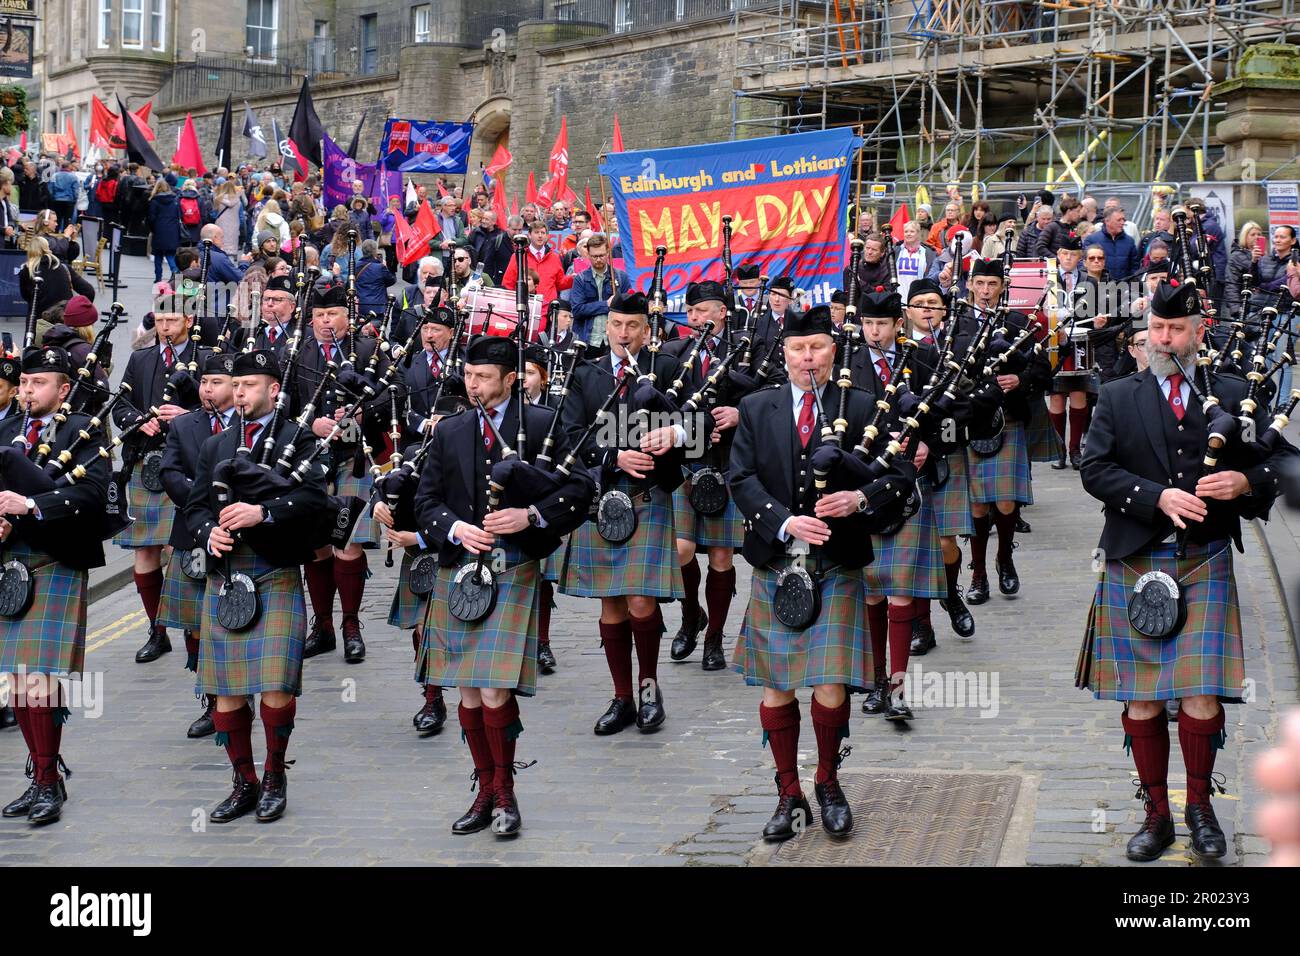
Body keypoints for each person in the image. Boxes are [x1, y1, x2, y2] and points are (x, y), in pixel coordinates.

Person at [1076, 279, 1298, 861]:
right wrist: (1157, 497)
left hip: (1204, 556)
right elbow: (1094, 469)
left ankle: (1199, 807)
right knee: (1141, 698)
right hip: (1136, 554)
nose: (1165, 339)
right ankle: (1156, 813)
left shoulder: (1233, 392)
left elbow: (1285, 461)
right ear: (1144, 335)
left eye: (1176, 330)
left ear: (1199, 331)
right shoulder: (1118, 397)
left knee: (1201, 694)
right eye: (1156, 330)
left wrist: (1246, 481)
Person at [404, 335, 593, 837]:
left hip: (512, 566)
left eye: (483, 377)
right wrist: (453, 527)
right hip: (459, 565)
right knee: (467, 689)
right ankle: (484, 787)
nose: (473, 385)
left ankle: (506, 790)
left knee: (492, 687)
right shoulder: (451, 430)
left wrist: (531, 514)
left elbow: (580, 491)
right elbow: (426, 500)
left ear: (511, 379)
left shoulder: (542, 425)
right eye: (468, 375)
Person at [729, 304, 878, 841]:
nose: (807, 357)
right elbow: (740, 477)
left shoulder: (860, 405)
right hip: (777, 558)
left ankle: (828, 780)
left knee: (831, 682)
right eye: (797, 349)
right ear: (784, 353)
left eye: (816, 347)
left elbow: (897, 478)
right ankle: (787, 792)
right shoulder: (756, 406)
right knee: (776, 686)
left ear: (833, 351)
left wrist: (858, 498)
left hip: (836, 560)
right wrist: (784, 520)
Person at [183, 349, 329, 823]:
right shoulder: (216, 446)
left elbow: (314, 501)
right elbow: (195, 507)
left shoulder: (298, 438)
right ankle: (243, 780)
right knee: (225, 690)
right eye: (236, 385)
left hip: (274, 570)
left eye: (249, 385)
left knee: (275, 686)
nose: (240, 393)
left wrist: (263, 513)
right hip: (228, 575)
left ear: (272, 389)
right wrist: (210, 532)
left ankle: (274, 775)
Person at [558, 291, 686, 735]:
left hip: (649, 495)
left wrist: (675, 429)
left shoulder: (667, 368)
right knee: (612, 603)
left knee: (640, 599)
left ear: (647, 330)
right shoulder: (586, 371)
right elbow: (569, 437)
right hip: (600, 495)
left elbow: (700, 426)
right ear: (606, 326)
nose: (624, 334)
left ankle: (649, 689)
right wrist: (615, 456)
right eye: (616, 325)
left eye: (633, 326)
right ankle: (622, 697)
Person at [0, 346, 111, 826]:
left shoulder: (83, 432)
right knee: (15, 681)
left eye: (38, 383)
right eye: (24, 383)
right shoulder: (5, 431)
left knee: (38, 679)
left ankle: (48, 780)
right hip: (9, 563)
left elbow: (94, 494)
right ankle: (42, 774)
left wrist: (33, 507)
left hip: (55, 559)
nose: (27, 391)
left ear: (63, 389)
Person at [295, 279, 397, 664]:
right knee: (318, 547)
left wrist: (360, 412)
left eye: (332, 314)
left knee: (347, 542)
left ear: (347, 316)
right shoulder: (299, 352)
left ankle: (351, 626)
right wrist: (310, 425)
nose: (325, 322)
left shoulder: (370, 349)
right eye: (319, 315)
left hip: (355, 457)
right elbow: (280, 404)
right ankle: (321, 627)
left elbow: (394, 395)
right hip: (310, 461)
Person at [112, 294, 207, 664]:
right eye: (159, 320)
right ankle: (157, 630)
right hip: (145, 461)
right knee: (145, 550)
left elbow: (223, 404)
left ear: (188, 319)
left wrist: (186, 414)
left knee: (180, 550)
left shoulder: (205, 356)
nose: (164, 327)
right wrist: (138, 420)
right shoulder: (140, 358)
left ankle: (192, 626)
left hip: (185, 464)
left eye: (172, 320)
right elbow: (120, 403)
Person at [664, 282, 749, 671]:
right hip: (684, 462)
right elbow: (659, 404)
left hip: (727, 461)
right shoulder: (673, 353)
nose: (695, 319)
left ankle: (714, 637)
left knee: (720, 554)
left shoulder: (744, 352)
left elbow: (769, 396)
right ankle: (689, 614)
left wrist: (738, 414)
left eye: (702, 312)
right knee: (681, 549)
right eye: (691, 312)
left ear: (722, 313)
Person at [963, 259, 1052, 606]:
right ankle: (978, 573)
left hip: (1008, 419)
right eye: (980, 284)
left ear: (1002, 287)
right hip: (970, 423)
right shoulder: (959, 326)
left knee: (1004, 500)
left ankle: (1004, 558)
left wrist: (1021, 380)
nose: (985, 291)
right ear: (971, 285)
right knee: (977, 506)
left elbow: (1043, 370)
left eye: (992, 284)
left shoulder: (1019, 324)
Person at [158, 353, 237, 739]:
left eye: (216, 381)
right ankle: (209, 699)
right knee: (194, 624)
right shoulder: (184, 425)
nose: (207, 389)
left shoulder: (250, 426)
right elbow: (169, 470)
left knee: (234, 617)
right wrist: (201, 501)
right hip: (192, 531)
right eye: (204, 382)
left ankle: (236, 691)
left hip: (240, 534)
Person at [567, 232, 627, 348]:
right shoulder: (580, 279)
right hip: (587, 341)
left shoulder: (620, 277)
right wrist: (606, 305)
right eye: (595, 256)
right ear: (588, 255)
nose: (598, 259)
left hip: (613, 340)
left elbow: (627, 310)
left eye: (602, 255)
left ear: (608, 253)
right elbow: (577, 310)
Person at [501, 218, 570, 314]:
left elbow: (560, 283)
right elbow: (508, 284)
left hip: (548, 311)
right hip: (525, 309)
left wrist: (573, 278)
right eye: (536, 232)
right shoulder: (519, 256)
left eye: (543, 233)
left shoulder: (555, 257)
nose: (540, 236)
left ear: (547, 236)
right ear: (529, 235)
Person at [19, 236, 96, 317]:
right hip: (64, 318)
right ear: (47, 248)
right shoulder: (64, 267)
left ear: (30, 251)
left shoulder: (27, 270)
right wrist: (77, 309)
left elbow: (26, 296)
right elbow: (89, 291)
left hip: (38, 320)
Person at [1084, 206, 1141, 280]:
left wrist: (1132, 287)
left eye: (1123, 219)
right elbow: (1084, 265)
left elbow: (1135, 268)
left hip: (1123, 287)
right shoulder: (1092, 240)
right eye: (1119, 220)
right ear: (1107, 221)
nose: (1123, 223)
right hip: (1099, 287)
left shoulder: (1129, 241)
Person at [1223, 221, 1263, 318]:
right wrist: (1236, 309)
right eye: (1252, 234)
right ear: (1245, 237)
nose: (1256, 237)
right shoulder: (1237, 256)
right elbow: (1231, 284)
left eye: (1259, 234)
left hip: (1259, 305)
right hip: (1244, 305)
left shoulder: (1264, 255)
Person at [147, 179, 182, 283]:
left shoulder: (154, 201)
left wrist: (153, 229)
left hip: (159, 230)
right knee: (170, 254)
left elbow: (151, 218)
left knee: (158, 255)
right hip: (172, 230)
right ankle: (174, 271)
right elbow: (179, 215)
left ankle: (158, 278)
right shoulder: (175, 200)